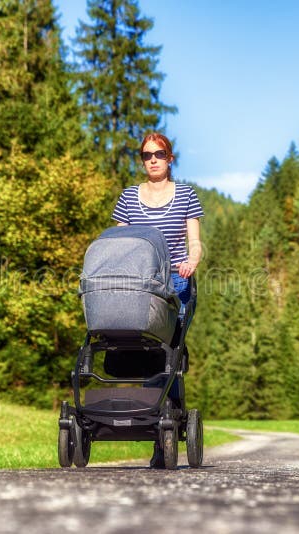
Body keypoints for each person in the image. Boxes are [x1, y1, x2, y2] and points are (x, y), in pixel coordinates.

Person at [111, 132, 204, 468]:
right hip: (140, 284)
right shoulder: (128, 198)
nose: (152, 159)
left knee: (166, 353)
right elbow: (118, 244)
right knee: (139, 349)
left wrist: (192, 261)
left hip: (177, 281)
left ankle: (163, 432)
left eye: (159, 154)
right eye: (146, 155)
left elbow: (195, 241)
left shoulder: (186, 196)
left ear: (170, 158)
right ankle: (151, 424)